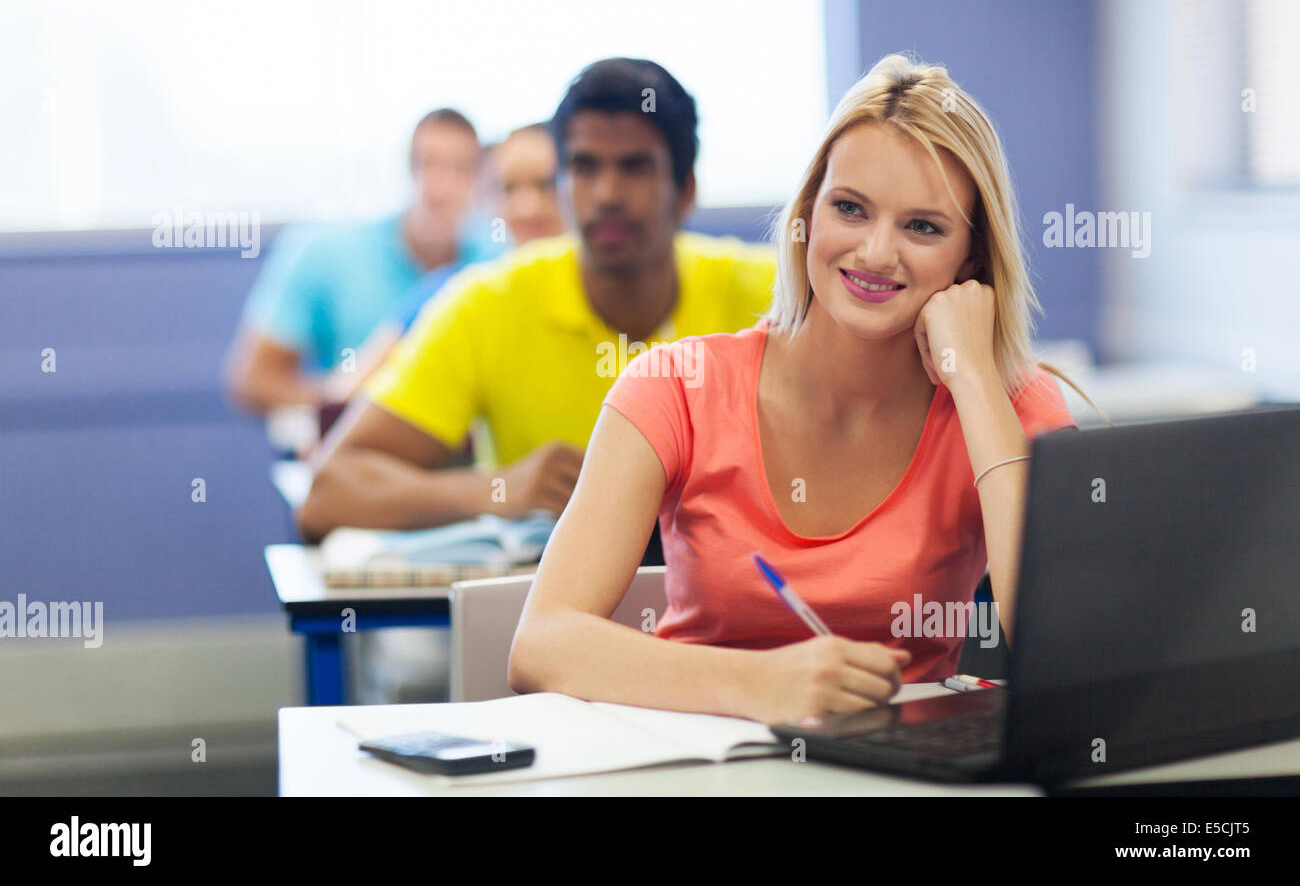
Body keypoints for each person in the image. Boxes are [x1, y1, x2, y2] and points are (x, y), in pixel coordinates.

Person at [508, 53, 1101, 726]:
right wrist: (762, 683)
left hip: (900, 777)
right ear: (808, 216)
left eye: (923, 226)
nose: (877, 253)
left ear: (971, 257)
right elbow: (542, 642)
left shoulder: (1007, 405)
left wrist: (973, 376)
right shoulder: (676, 386)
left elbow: (1069, 659)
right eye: (850, 208)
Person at [296, 58, 777, 542]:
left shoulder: (774, 292)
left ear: (685, 191)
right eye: (583, 167)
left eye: (635, 168)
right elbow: (326, 493)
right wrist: (502, 489)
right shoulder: (487, 304)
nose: (607, 193)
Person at [224, 108, 497, 415]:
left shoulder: (498, 265)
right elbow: (254, 380)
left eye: (461, 169)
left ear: (480, 180)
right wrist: (340, 410)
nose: (443, 187)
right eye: (429, 165)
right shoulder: (327, 253)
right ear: (409, 171)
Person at [328, 123, 567, 402]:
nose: (526, 206)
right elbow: (344, 394)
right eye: (507, 189)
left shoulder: (613, 288)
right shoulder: (452, 290)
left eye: (545, 184)